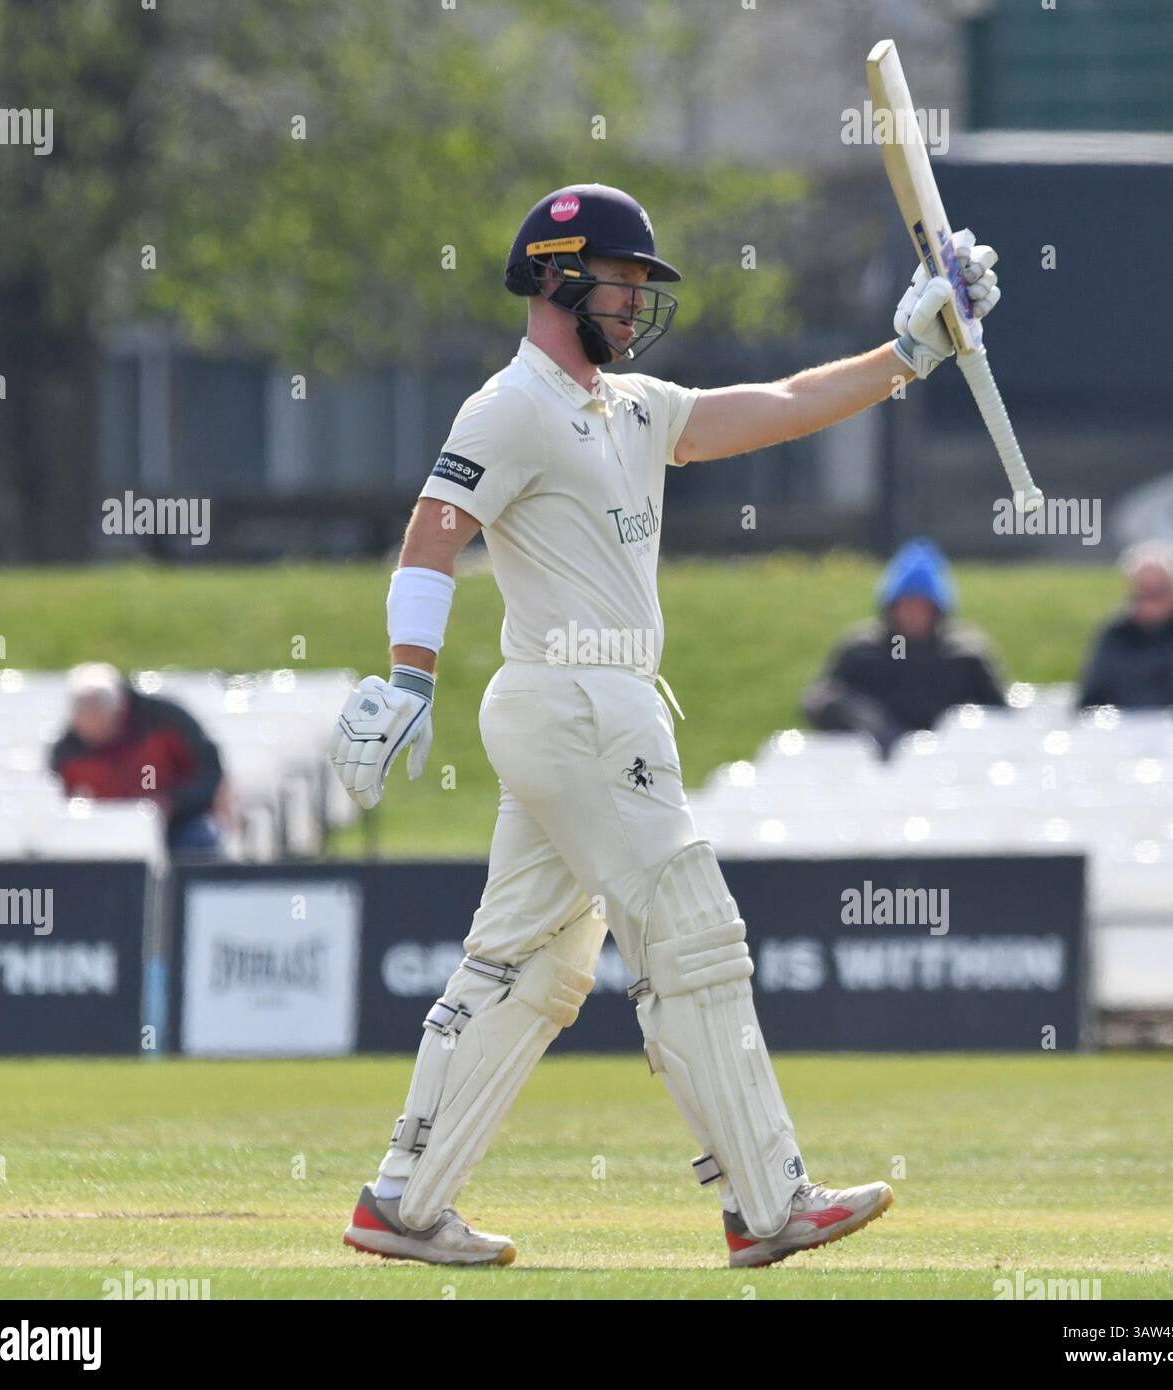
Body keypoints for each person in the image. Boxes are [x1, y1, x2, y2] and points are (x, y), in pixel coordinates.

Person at [330, 183, 1003, 1268]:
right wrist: (409, 673)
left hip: (595, 706)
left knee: (526, 968)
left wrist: (905, 355)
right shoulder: (510, 405)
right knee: (690, 932)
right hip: (577, 703)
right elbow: (433, 525)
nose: (637, 302)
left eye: (645, 285)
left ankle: (402, 1202)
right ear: (555, 276)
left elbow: (778, 400)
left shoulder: (626, 406)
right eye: (620, 280)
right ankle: (768, 1200)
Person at [801, 538, 1006, 756]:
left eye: (921, 606)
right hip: (873, 772)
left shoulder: (965, 656)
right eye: (906, 604)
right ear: (891, 607)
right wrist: (868, 721)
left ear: (937, 609)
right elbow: (818, 700)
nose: (912, 614)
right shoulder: (863, 651)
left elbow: (1000, 717)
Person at [50, 662, 225, 855]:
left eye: (97, 716)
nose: (92, 729)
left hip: (176, 821)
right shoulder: (67, 752)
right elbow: (59, 801)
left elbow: (208, 773)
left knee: (198, 837)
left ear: (118, 709)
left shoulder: (165, 721)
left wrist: (173, 802)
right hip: (107, 827)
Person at [1078, 541, 1173, 727]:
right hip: (1124, 735)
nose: (1151, 600)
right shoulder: (1117, 635)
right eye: (1144, 590)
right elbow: (1092, 695)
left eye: (1160, 590)